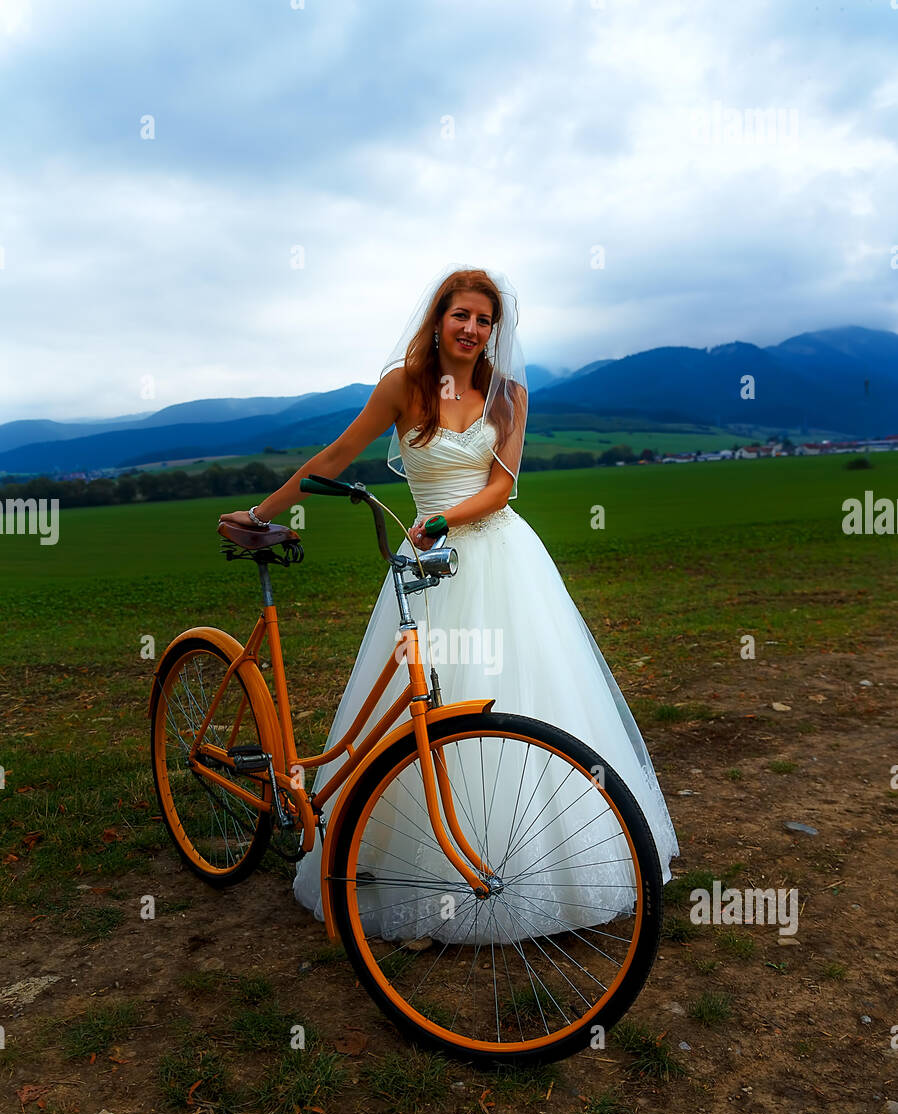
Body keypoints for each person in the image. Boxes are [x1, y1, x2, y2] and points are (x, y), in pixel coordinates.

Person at [219, 263, 679, 938]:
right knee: (419, 704)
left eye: (484, 320)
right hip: (426, 566)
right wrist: (261, 510)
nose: (471, 328)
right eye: (461, 315)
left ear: (496, 331)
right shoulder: (403, 388)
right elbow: (337, 454)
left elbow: (500, 486)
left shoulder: (510, 395)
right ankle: (411, 868)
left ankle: (546, 864)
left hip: (495, 553)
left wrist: (444, 519)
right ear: (439, 319)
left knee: (523, 692)